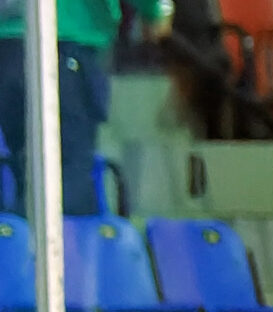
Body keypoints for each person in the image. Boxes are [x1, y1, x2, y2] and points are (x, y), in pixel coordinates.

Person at [0, 0, 166, 217]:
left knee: (26, 170)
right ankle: (57, 248)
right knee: (66, 179)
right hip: (64, 43)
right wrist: (156, 11)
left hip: (8, 48)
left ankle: (23, 245)